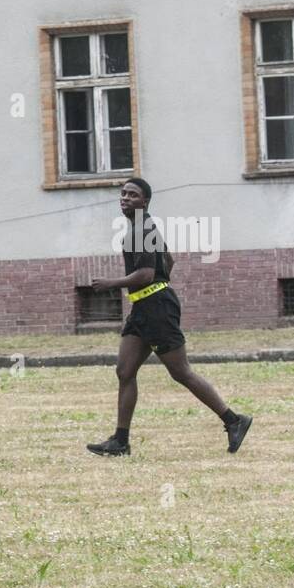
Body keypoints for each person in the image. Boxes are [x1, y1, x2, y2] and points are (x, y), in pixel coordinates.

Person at [87, 177, 253, 457]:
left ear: (145, 201)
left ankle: (234, 420)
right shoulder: (144, 227)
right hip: (143, 306)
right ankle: (120, 441)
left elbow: (146, 274)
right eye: (123, 193)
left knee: (181, 372)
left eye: (133, 194)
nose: (125, 198)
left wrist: (111, 284)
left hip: (156, 308)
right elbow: (169, 261)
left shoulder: (141, 230)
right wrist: (156, 288)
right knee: (125, 371)